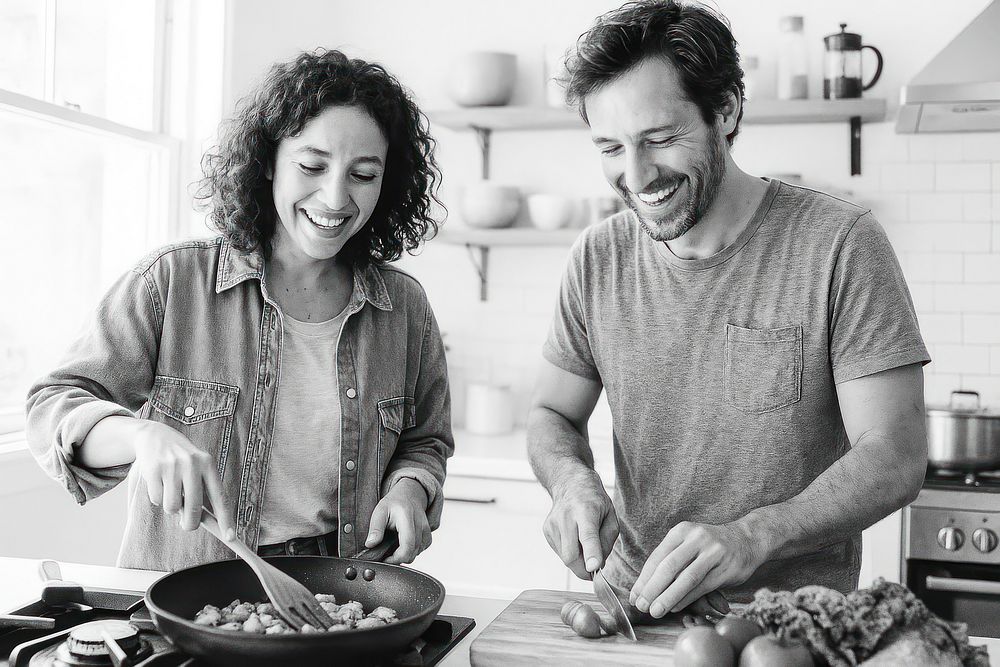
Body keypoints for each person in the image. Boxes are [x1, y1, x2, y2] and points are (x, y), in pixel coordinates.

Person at [528, 0, 929, 620]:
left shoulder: (840, 244)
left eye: (659, 139)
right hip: (634, 612)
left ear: (727, 110)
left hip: (789, 630)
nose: (635, 176)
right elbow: (552, 413)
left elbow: (895, 456)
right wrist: (570, 481)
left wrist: (755, 535)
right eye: (610, 147)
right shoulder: (596, 258)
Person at [25, 49, 453, 571]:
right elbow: (53, 408)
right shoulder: (173, 282)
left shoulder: (404, 307)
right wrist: (141, 436)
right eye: (312, 166)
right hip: (186, 587)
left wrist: (410, 488)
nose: (335, 197)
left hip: (345, 587)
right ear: (268, 161)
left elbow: (424, 440)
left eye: (363, 174)